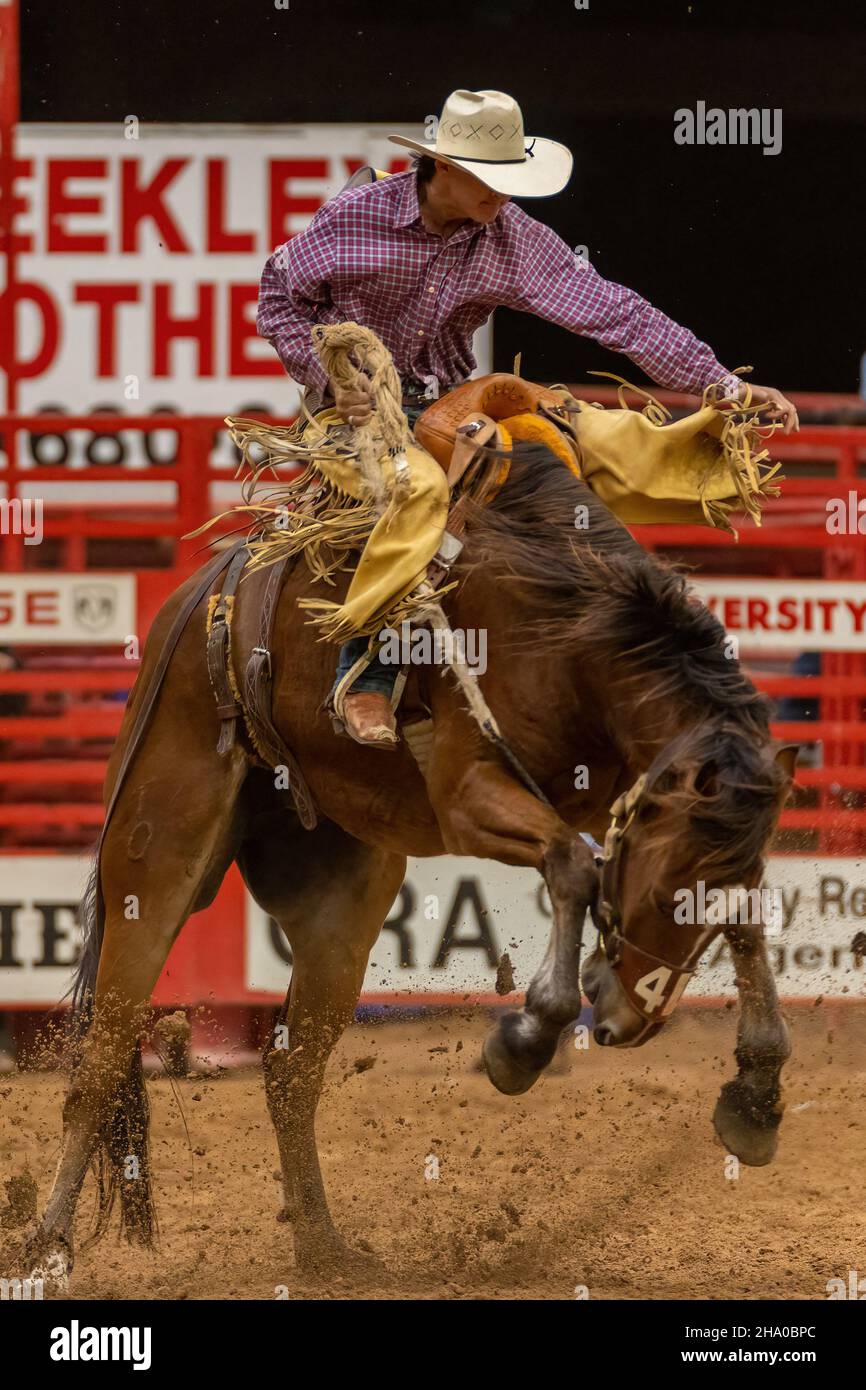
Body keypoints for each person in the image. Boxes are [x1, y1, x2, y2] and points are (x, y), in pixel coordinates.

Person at [257, 88, 798, 746]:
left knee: (585, 430)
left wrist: (720, 384)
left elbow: (612, 309)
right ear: (443, 169)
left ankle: (705, 491)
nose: (504, 195)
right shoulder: (355, 218)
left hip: (455, 398)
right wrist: (328, 376)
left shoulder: (510, 236)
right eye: (492, 178)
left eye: (512, 177)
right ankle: (366, 674)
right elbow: (279, 294)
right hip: (359, 415)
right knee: (421, 489)